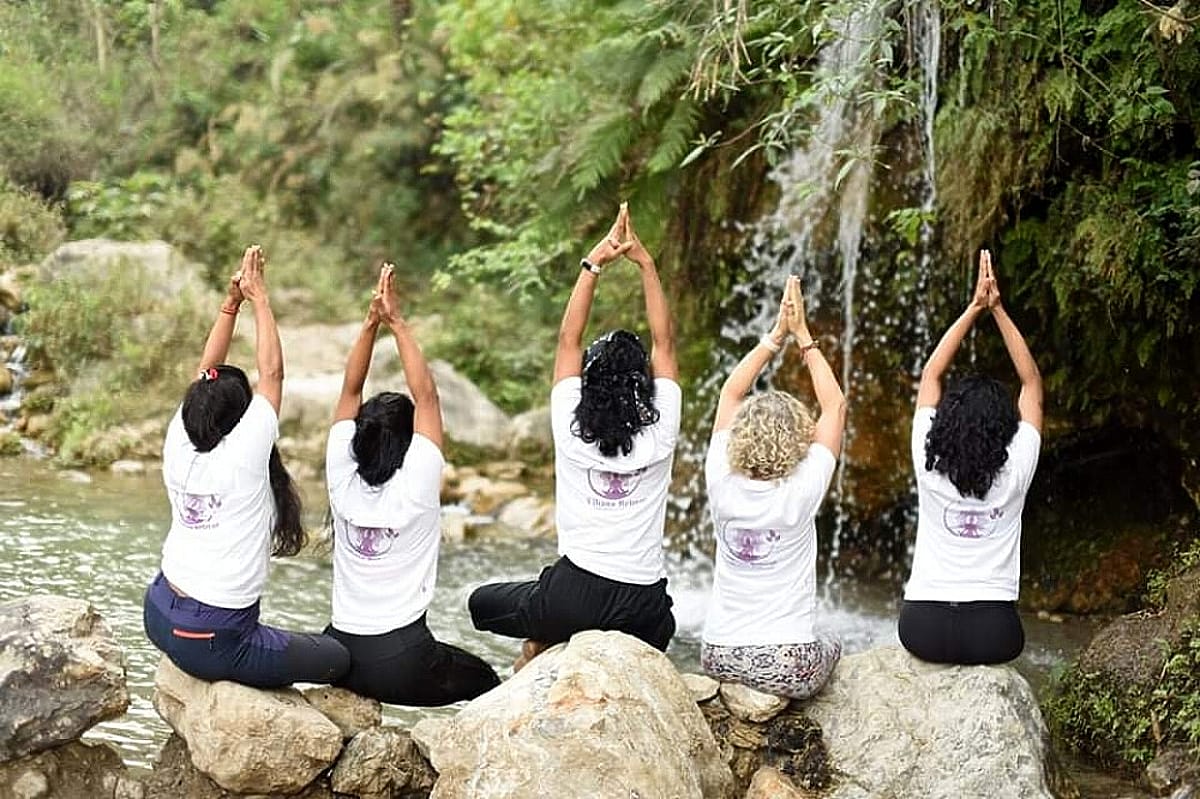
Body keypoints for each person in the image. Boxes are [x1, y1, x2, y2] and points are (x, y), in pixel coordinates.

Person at [468, 203, 681, 668]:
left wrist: (594, 264)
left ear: (588, 378)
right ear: (645, 382)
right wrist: (645, 263)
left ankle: (540, 653)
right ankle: (550, 647)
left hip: (573, 596)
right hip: (644, 610)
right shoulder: (662, 430)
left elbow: (568, 340)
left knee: (481, 605)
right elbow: (665, 343)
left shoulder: (570, 425)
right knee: (655, 624)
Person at [143, 245, 350, 688]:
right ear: (240, 418)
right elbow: (272, 375)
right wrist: (260, 299)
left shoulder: (179, 435)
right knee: (336, 657)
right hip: (213, 638)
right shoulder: (243, 456)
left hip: (157, 612)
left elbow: (205, 372)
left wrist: (229, 305)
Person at [322, 263, 500, 705]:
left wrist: (370, 324)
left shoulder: (341, 475)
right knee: (489, 682)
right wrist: (397, 323)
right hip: (402, 659)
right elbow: (428, 398)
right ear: (408, 443)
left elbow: (349, 391)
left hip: (341, 653)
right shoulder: (417, 483)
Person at [700, 275, 847, 698]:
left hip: (718, 654)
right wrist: (804, 337)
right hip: (788, 664)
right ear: (798, 436)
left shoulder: (720, 479)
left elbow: (731, 392)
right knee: (834, 639)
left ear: (741, 435)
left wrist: (775, 336)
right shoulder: (802, 490)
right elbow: (835, 405)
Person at [898, 249, 1043, 665]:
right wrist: (996, 310)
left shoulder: (928, 461)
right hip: (993, 632)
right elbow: (1031, 383)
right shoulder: (1015, 468)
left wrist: (973, 308)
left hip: (921, 627)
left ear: (948, 420)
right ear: (1003, 427)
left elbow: (931, 375)